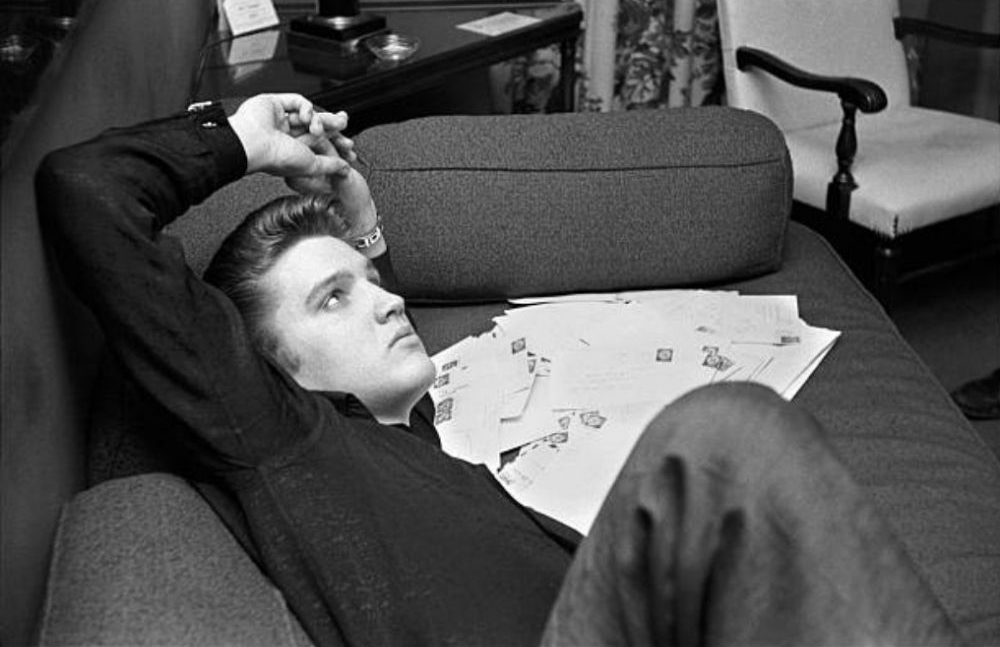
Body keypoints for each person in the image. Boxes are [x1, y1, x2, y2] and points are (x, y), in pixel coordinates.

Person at [37, 93, 963, 646]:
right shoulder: (286, 438)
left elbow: (381, 307)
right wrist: (247, 142)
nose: (387, 302)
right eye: (333, 299)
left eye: (371, 284)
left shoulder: (404, 435)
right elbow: (83, 192)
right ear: (267, 369)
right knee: (727, 434)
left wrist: (353, 207)